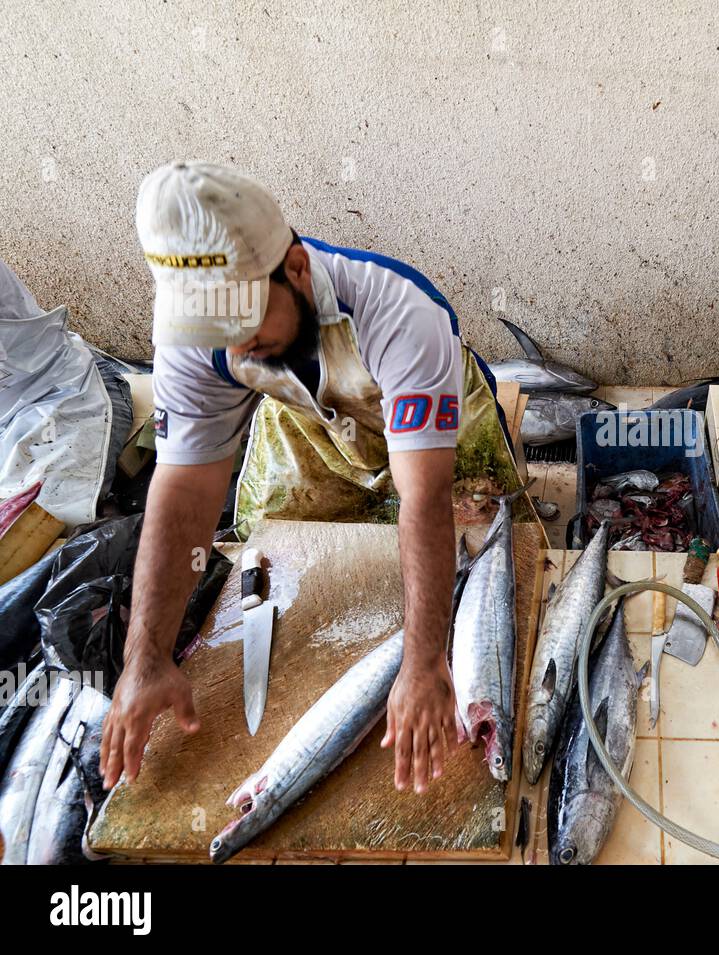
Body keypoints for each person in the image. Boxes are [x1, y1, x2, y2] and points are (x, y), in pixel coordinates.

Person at [99, 162, 519, 794]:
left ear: (296, 268)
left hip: (440, 434)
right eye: (214, 335)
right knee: (276, 542)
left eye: (244, 326)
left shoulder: (399, 313)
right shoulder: (193, 332)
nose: (234, 353)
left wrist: (426, 661)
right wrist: (146, 655)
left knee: (481, 546)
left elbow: (423, 496)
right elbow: (183, 491)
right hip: (312, 425)